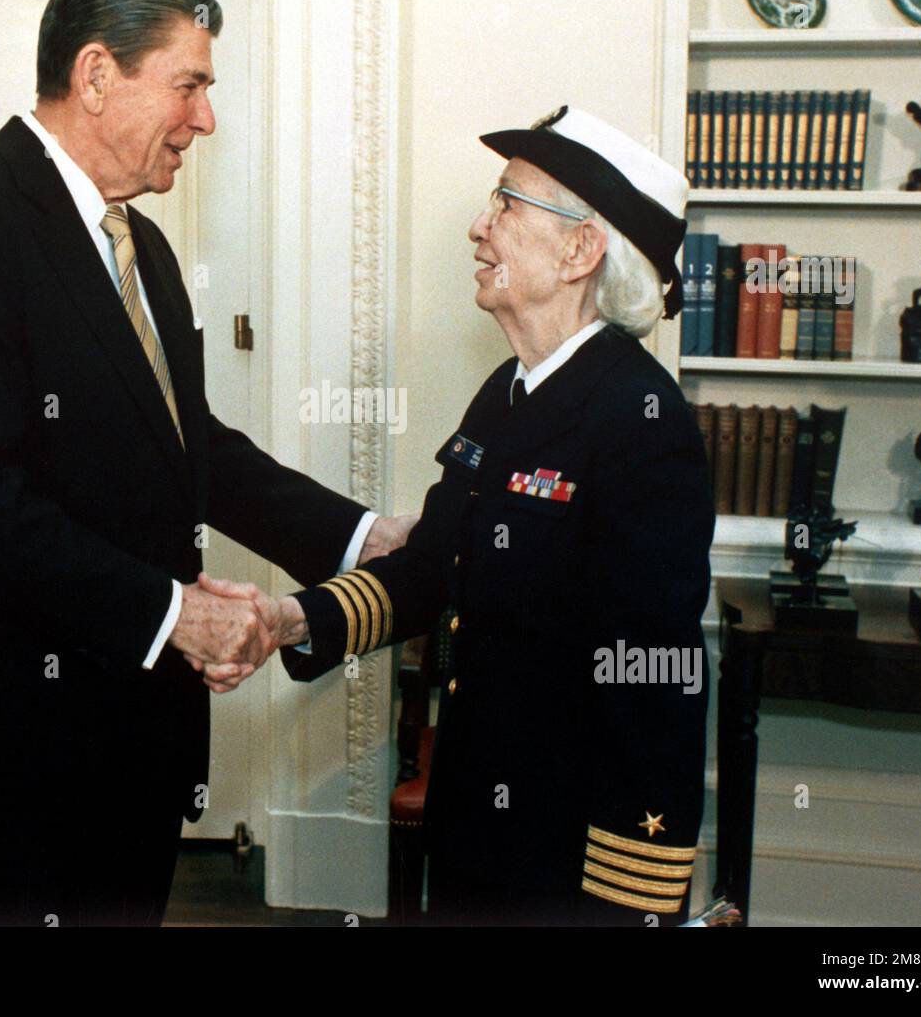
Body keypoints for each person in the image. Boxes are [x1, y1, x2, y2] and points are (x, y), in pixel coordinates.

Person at [0, 0, 413, 927]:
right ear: (95, 74)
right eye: (189, 85)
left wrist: (358, 537)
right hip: (1, 762)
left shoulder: (142, 244)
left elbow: (189, 444)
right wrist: (173, 613)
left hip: (132, 747)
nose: (205, 119)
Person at [201, 105, 715, 925]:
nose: (479, 226)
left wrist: (631, 902)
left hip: (569, 865)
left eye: (507, 204)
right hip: (476, 825)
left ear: (580, 250)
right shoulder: (506, 393)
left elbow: (653, 677)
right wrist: (289, 621)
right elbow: (430, 566)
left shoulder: (640, 422)